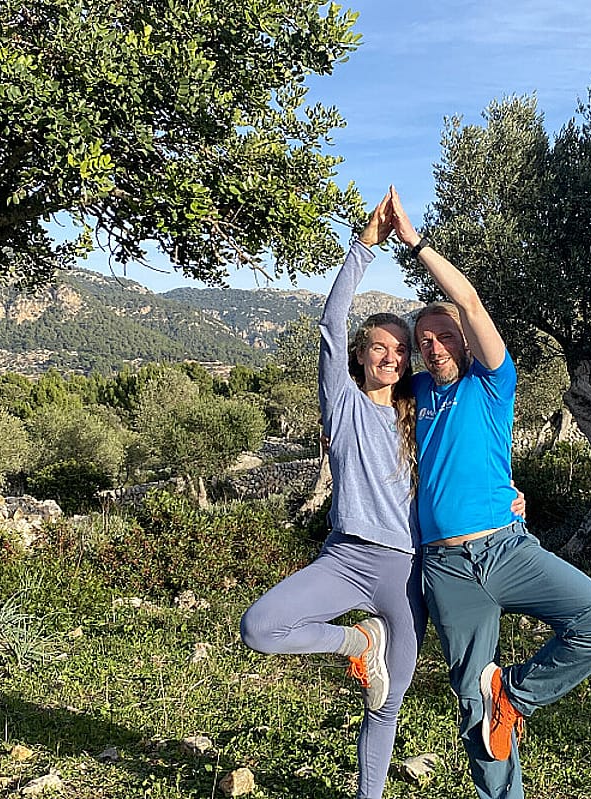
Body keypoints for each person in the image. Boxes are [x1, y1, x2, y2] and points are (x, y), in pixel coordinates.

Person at [240, 191, 526, 799]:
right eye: (380, 347)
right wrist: (365, 247)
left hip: (407, 569)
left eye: (402, 351)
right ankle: (357, 642)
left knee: (386, 700)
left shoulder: (418, 410)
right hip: (346, 558)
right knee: (261, 627)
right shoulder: (342, 403)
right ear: (361, 356)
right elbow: (330, 322)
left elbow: (464, 457)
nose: (392, 357)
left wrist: (509, 493)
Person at [389, 187, 591, 799]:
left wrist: (414, 243)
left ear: (466, 341)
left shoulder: (492, 381)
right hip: (446, 566)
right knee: (473, 706)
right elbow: (358, 374)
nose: (434, 347)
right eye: (424, 340)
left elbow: (468, 300)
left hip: (506, 548)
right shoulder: (416, 393)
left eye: (445, 336)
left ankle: (516, 694)